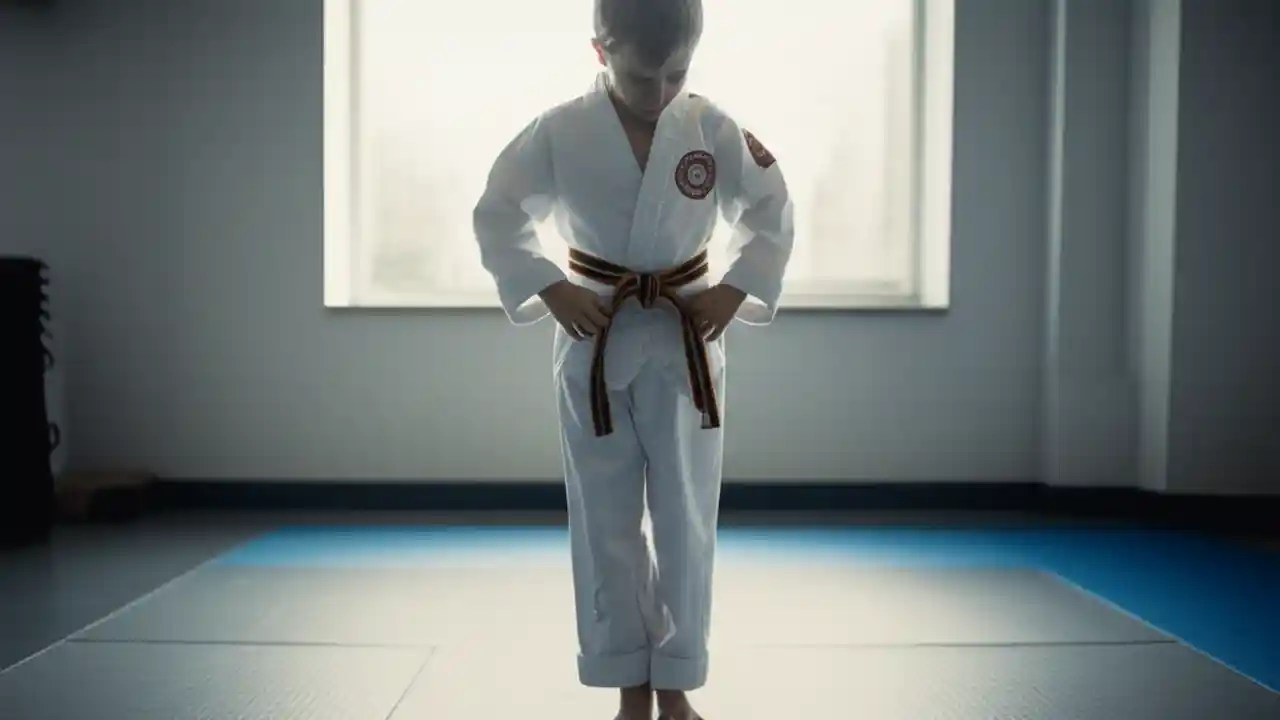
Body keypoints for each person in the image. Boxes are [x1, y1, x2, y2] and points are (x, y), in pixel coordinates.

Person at [473, 0, 793, 717]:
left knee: (685, 515)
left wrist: (736, 290)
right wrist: (547, 285)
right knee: (603, 518)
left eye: (678, 72)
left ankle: (676, 684)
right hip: (595, 335)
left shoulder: (711, 128)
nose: (661, 92)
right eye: (643, 76)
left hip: (685, 334)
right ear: (600, 50)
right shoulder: (559, 131)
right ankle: (628, 686)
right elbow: (497, 212)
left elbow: (772, 211)